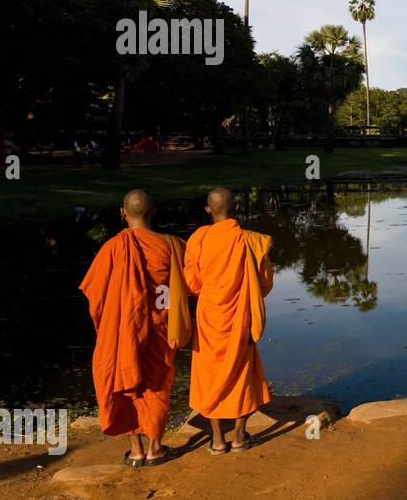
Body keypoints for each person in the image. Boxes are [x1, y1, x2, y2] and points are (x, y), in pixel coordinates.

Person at [78, 190, 191, 467]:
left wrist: (114, 322)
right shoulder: (174, 246)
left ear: (122, 212)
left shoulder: (112, 248)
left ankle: (137, 450)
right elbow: (190, 286)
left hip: (124, 329)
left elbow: (95, 296)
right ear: (153, 211)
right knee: (156, 385)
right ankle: (155, 448)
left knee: (127, 380)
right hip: (161, 329)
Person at [184, 187, 273, 454]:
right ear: (236, 209)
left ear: (208, 211)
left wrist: (213, 290)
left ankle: (217, 440)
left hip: (209, 317)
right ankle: (239, 437)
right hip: (240, 316)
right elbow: (264, 284)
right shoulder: (252, 241)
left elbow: (191, 283)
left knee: (210, 373)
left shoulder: (198, 239)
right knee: (241, 372)